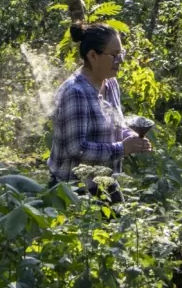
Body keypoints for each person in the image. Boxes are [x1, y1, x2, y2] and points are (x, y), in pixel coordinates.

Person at [48, 22, 152, 199]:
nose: (120, 61)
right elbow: (77, 149)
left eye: (121, 54)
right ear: (93, 56)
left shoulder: (110, 83)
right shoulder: (75, 92)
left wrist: (130, 137)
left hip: (105, 185)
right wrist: (122, 148)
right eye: (114, 55)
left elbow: (117, 124)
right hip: (73, 191)